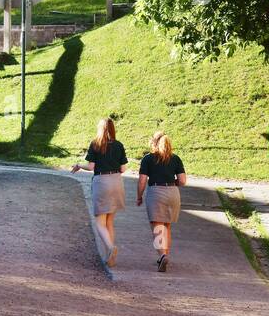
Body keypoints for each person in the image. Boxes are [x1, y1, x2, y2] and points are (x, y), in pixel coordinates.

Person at [71, 116, 128, 266]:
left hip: (102, 183)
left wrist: (78, 165)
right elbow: (123, 168)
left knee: (100, 223)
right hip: (117, 182)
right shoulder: (119, 145)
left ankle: (110, 248)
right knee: (110, 221)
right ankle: (110, 258)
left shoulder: (95, 144)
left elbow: (91, 167)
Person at [137, 132, 186, 273]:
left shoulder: (148, 159)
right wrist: (172, 183)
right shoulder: (176, 159)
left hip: (156, 192)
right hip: (173, 192)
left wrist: (139, 196)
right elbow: (182, 181)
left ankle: (162, 255)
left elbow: (142, 181)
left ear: (154, 142)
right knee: (166, 226)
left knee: (157, 226)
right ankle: (165, 255)